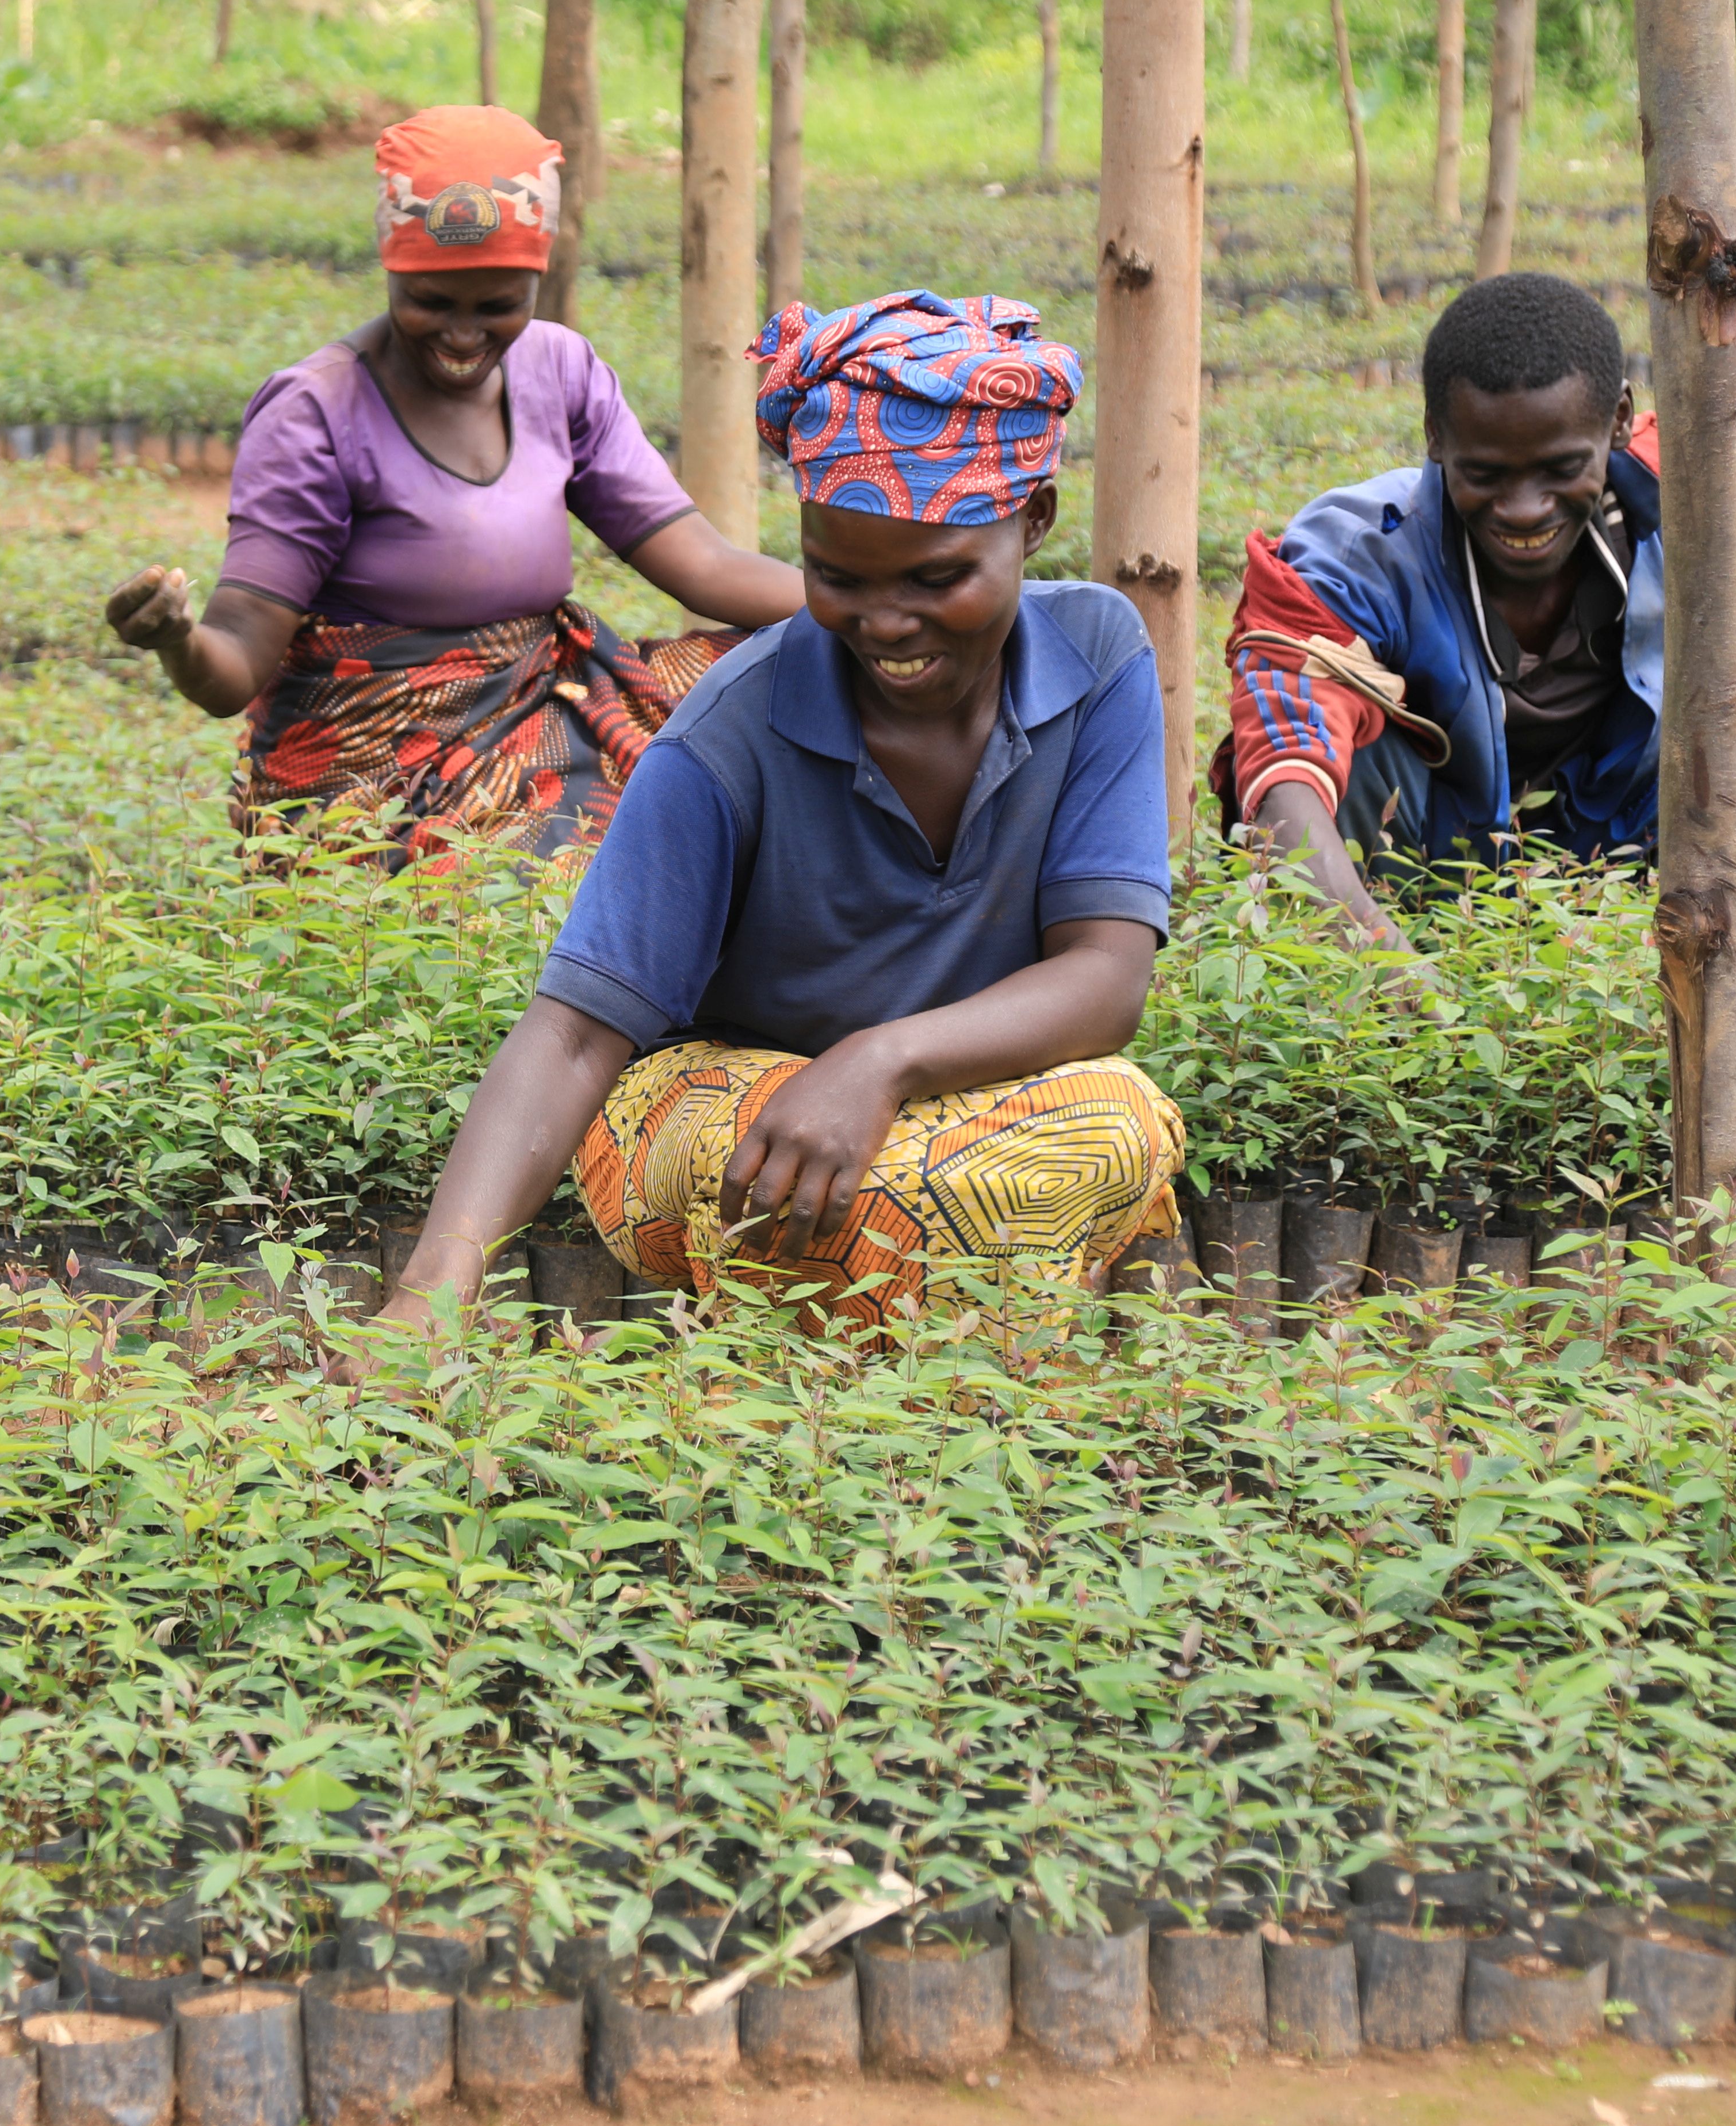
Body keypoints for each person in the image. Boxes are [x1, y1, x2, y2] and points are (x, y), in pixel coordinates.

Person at [365, 289, 1185, 1341]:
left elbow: (1105, 977)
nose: (886, 624)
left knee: (1115, 1126)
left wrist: (880, 1062)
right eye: (836, 578)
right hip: (733, 1106)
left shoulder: (1100, 655)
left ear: (1031, 524)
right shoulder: (728, 736)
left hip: (957, 1093)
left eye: (939, 579)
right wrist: (430, 1294)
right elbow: (574, 1035)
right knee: (849, 1186)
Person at [103, 105, 802, 865]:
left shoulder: (560, 374)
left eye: (499, 306)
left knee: (799, 680)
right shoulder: (316, 413)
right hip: (369, 785)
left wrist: (874, 607)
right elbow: (234, 664)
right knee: (554, 902)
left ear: (539, 279)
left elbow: (704, 566)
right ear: (390, 268)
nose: (464, 334)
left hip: (553, 718)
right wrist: (177, 640)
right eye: (431, 302)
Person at [1214, 271, 1736, 942]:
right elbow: (1285, 769)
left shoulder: (1684, 498)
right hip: (1430, 852)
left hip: (1617, 837)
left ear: (1616, 420)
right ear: (1436, 436)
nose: (1525, 509)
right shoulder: (1355, 553)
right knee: (1343, 767)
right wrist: (1376, 953)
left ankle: (1691, 950)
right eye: (1487, 474)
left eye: (1560, 469)